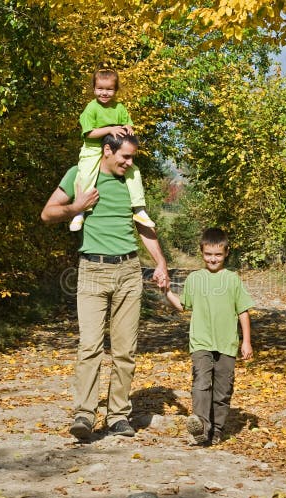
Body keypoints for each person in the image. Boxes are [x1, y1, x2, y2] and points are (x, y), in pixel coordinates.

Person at [41, 133, 169, 440]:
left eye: (133, 158)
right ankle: (84, 415)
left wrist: (161, 262)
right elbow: (47, 213)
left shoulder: (131, 180)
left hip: (128, 269)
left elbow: (143, 224)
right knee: (90, 347)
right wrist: (76, 206)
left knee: (125, 350)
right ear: (107, 150)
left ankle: (118, 416)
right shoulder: (81, 174)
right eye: (125, 156)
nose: (129, 162)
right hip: (92, 269)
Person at [162, 228, 254, 445]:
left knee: (223, 389)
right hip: (201, 341)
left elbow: (243, 311)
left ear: (226, 253)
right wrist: (166, 292)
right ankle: (201, 427)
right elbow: (182, 306)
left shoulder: (232, 279)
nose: (213, 259)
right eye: (208, 254)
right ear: (201, 252)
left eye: (218, 255)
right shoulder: (195, 278)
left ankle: (218, 430)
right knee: (201, 382)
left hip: (227, 343)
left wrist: (246, 341)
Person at [68, 66, 155, 232]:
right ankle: (79, 211)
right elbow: (89, 133)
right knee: (86, 174)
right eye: (100, 89)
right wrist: (110, 129)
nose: (104, 93)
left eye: (109, 89)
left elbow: (127, 122)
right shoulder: (91, 108)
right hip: (93, 148)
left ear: (115, 90)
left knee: (134, 172)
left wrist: (129, 127)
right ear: (94, 88)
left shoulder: (119, 107)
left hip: (115, 151)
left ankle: (139, 209)